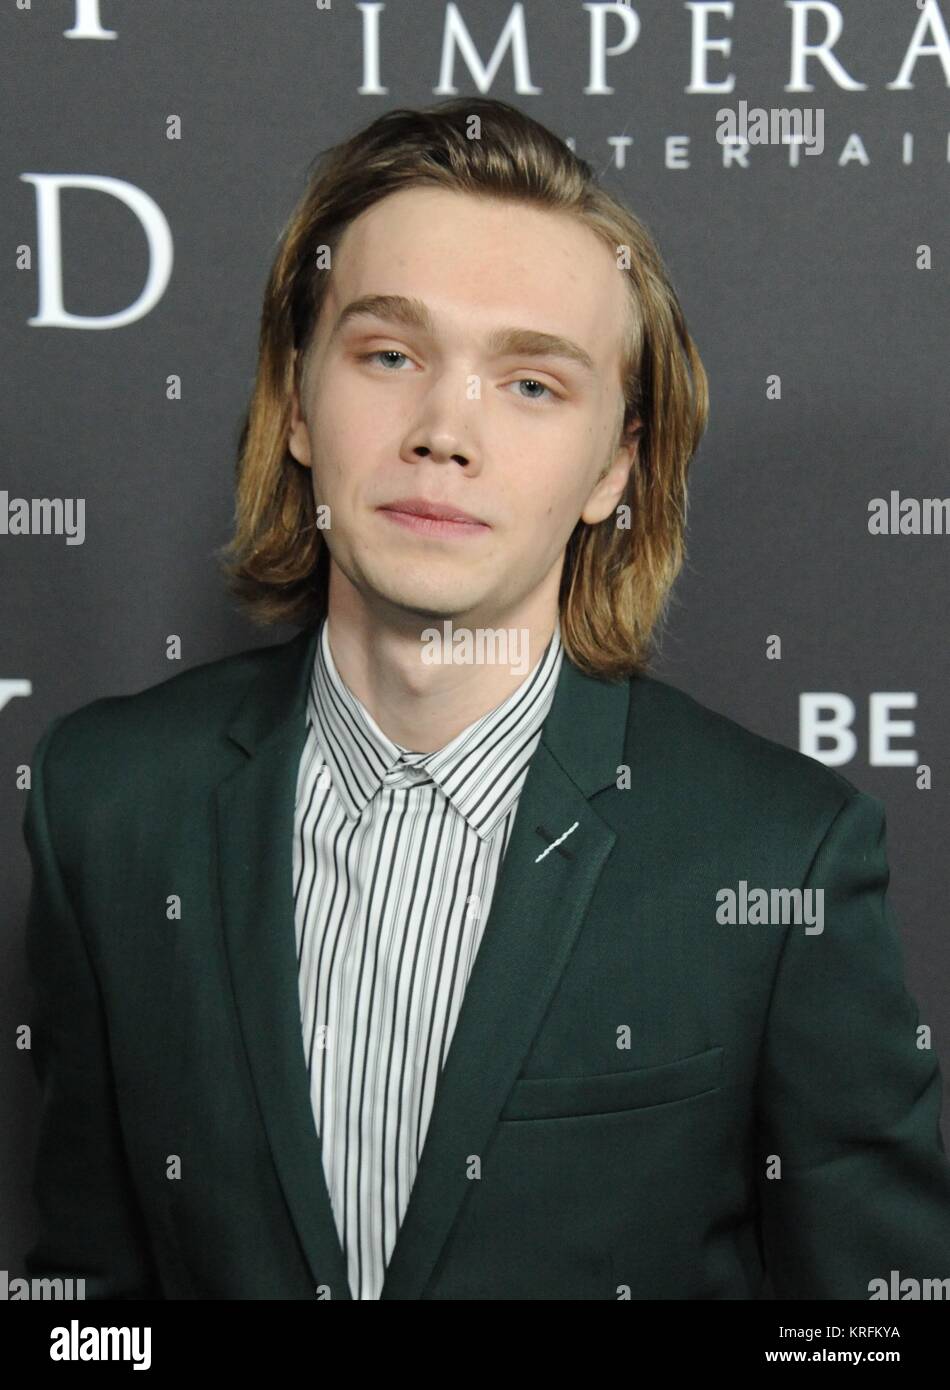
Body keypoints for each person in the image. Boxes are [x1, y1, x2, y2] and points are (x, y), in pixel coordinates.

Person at [22, 97, 950, 1301]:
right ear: (297, 402)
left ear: (612, 465)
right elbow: (88, 1313)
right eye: (390, 355)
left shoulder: (779, 853)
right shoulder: (108, 804)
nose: (443, 432)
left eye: (528, 383)